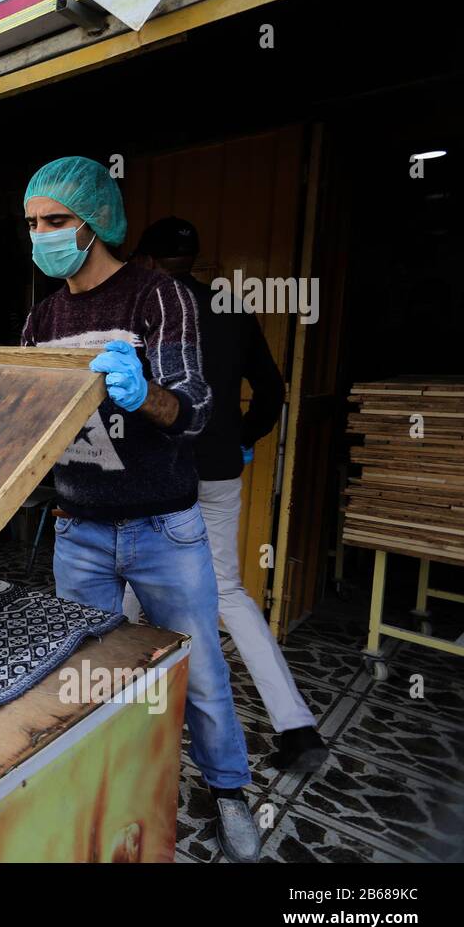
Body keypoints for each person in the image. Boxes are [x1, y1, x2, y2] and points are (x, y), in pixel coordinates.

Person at [0, 156, 258, 862]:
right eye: (33, 224)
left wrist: (143, 395)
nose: (43, 236)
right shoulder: (45, 315)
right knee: (85, 675)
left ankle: (229, 793)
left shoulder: (158, 298)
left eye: (57, 222)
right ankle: (107, 785)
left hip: (165, 527)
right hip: (80, 531)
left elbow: (195, 411)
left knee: (203, 675)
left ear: (95, 223)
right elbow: (24, 420)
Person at [127, 217, 327, 772]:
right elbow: (271, 388)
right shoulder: (233, 307)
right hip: (216, 470)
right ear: (192, 261)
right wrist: (242, 437)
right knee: (229, 594)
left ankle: (106, 724)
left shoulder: (144, 308)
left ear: (146, 260)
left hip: (158, 475)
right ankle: (298, 728)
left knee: (129, 590)